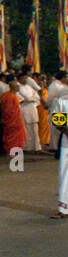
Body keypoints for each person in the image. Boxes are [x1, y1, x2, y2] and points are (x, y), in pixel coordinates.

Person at [0, 74, 26, 156]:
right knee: (13, 136)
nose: (19, 87)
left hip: (13, 119)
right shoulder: (11, 97)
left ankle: (13, 150)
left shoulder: (5, 95)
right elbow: (9, 110)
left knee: (11, 135)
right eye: (17, 86)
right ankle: (12, 150)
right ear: (14, 87)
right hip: (13, 120)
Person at [52, 91, 68, 219]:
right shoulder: (63, 100)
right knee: (65, 174)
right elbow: (57, 121)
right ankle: (64, 209)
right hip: (67, 143)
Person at [17, 71, 41, 153]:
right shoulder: (17, 87)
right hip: (24, 109)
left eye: (25, 78)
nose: (24, 80)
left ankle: (37, 147)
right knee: (26, 129)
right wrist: (30, 98)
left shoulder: (29, 87)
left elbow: (36, 96)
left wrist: (31, 99)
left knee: (35, 129)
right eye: (22, 78)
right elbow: (22, 99)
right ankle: (27, 147)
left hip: (32, 108)